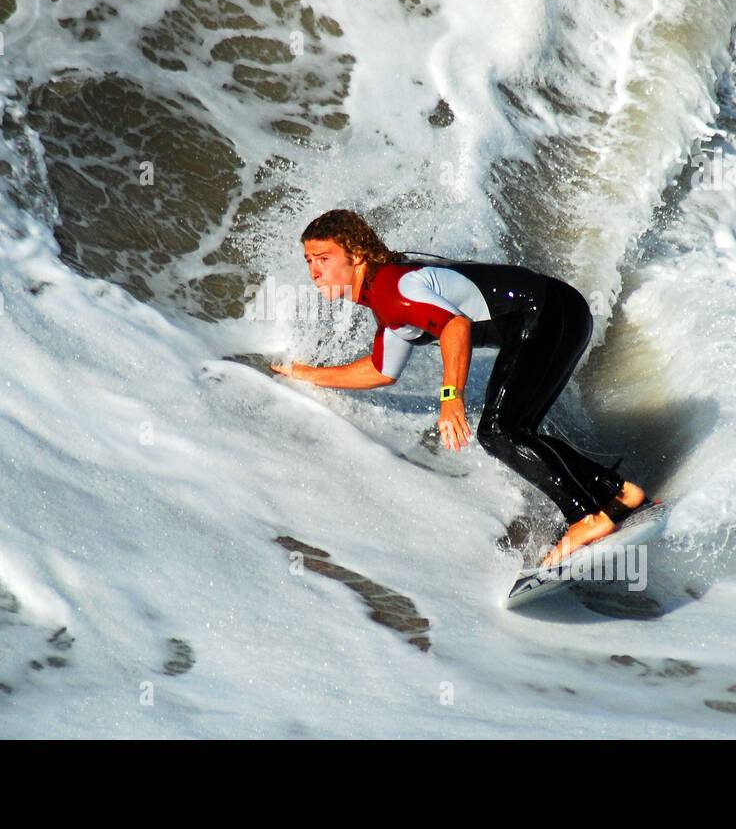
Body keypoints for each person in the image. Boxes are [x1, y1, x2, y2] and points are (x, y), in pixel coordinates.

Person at [271, 208, 648, 568]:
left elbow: (455, 326)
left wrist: (451, 396)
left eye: (323, 258)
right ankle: (617, 493)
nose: (314, 271)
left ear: (354, 255)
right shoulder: (386, 298)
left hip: (549, 313)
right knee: (513, 430)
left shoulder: (393, 290)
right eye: (309, 261)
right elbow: (380, 370)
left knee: (499, 432)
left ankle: (586, 515)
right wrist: (305, 374)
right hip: (559, 311)